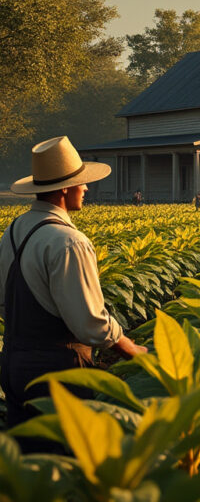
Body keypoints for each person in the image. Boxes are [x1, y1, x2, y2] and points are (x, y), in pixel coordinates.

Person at [0, 136, 147, 448]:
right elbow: (90, 325)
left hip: (12, 365)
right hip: (58, 372)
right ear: (65, 189)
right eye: (81, 183)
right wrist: (129, 347)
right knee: (67, 466)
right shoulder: (69, 241)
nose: (86, 189)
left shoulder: (12, 231)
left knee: (26, 468)